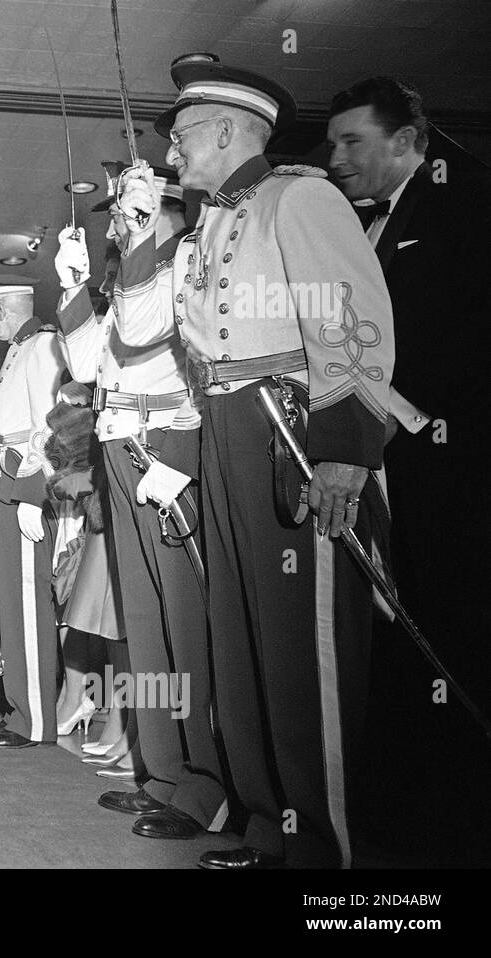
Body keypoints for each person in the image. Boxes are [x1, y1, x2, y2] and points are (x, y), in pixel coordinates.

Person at [117, 56, 394, 868]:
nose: (172, 154)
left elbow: (348, 318)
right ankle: (267, 820)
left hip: (291, 432)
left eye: (184, 137)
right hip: (222, 428)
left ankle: (321, 842)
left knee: (298, 641)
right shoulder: (205, 223)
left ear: (232, 130)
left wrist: (345, 453)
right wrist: (140, 236)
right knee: (237, 633)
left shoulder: (299, 197)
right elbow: (142, 335)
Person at [326, 76, 491, 861]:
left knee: (452, 640)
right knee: (408, 637)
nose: (336, 159)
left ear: (408, 141)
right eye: (332, 143)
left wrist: (369, 435)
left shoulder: (463, 204)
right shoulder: (374, 223)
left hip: (456, 475)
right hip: (409, 472)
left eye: (352, 142)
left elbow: (448, 341)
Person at [54, 162, 229, 841]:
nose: (121, 227)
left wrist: (143, 242)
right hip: (122, 445)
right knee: (147, 622)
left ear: (171, 214)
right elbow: (87, 360)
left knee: (184, 620)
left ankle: (205, 781)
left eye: (136, 214)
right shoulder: (132, 277)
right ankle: (162, 774)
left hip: (167, 443)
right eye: (120, 217)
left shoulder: (185, 264)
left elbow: (144, 328)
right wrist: (71, 287)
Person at [0, 277, 70, 749]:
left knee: (28, 600)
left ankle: (36, 722)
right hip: (2, 482)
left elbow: (51, 424)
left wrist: (33, 492)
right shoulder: (19, 349)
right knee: (9, 600)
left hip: (24, 484)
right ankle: (19, 711)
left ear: (6, 308)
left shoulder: (44, 344)